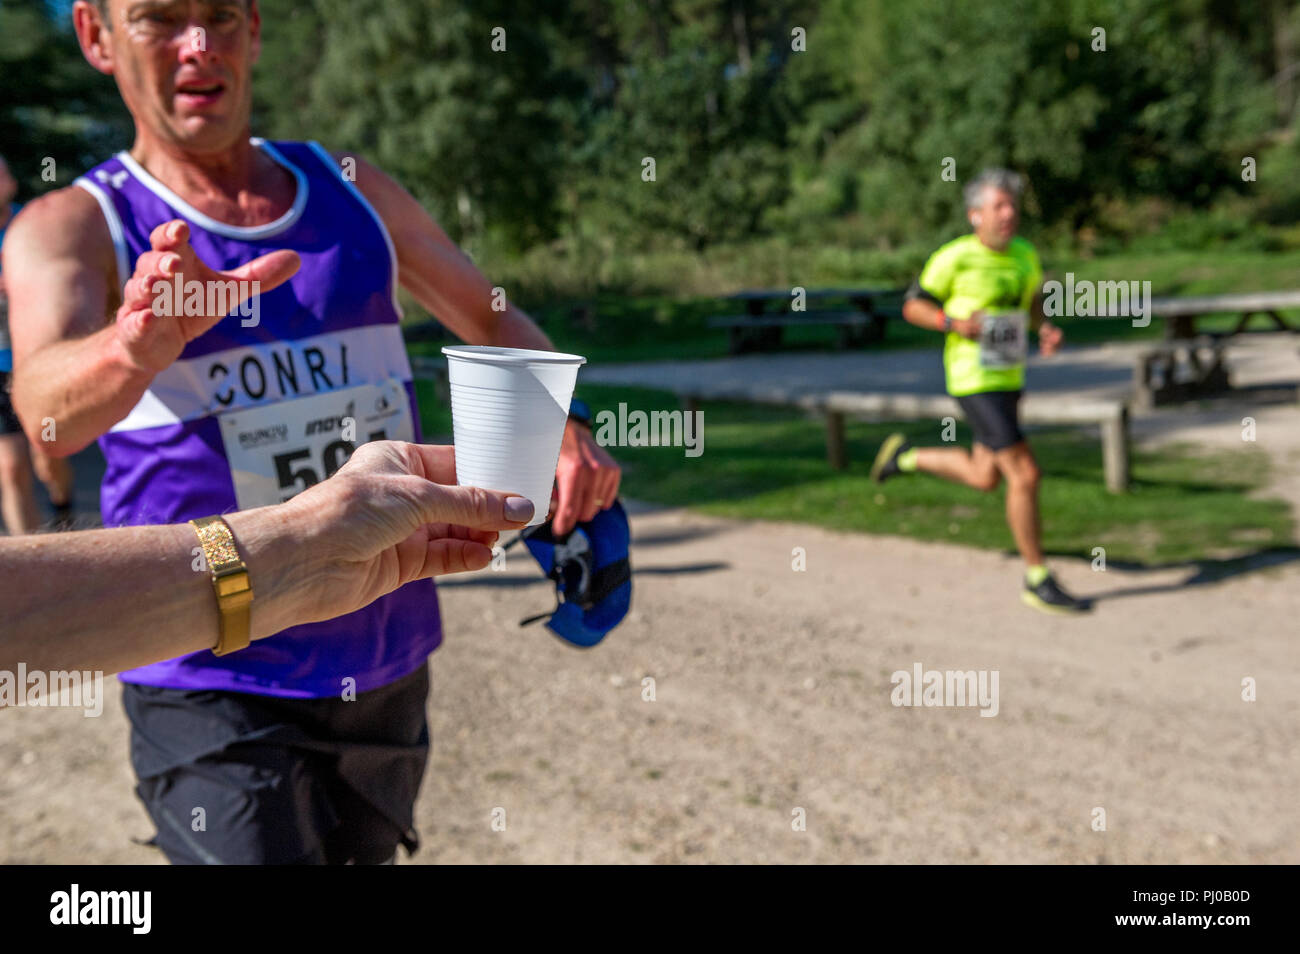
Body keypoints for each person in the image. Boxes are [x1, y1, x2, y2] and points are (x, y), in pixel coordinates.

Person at [4, 0, 621, 865]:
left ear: (255, 30)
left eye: (220, 14)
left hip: (384, 635)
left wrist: (563, 417)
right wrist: (130, 346)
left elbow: (492, 314)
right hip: (208, 661)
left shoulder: (351, 188)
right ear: (96, 37)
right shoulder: (71, 224)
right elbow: (45, 410)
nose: (198, 43)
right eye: (157, 18)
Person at [1, 441, 532, 676]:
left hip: (381, 646)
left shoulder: (377, 207)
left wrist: (302, 553)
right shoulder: (82, 214)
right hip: (205, 681)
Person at [870, 168, 1090, 615]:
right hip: (972, 378)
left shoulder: (1026, 254)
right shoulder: (954, 258)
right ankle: (1037, 577)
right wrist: (953, 324)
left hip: (1008, 376)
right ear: (975, 215)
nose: (1009, 214)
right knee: (1025, 475)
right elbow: (912, 305)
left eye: (1013, 206)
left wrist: (1044, 329)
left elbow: (1031, 303)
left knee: (984, 476)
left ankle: (904, 457)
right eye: (999, 207)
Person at [0, 156, 42, 535]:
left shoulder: (31, 224)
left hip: (38, 360)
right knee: (11, 469)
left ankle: (62, 508)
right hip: (0, 369)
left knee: (49, 463)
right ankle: (31, 562)